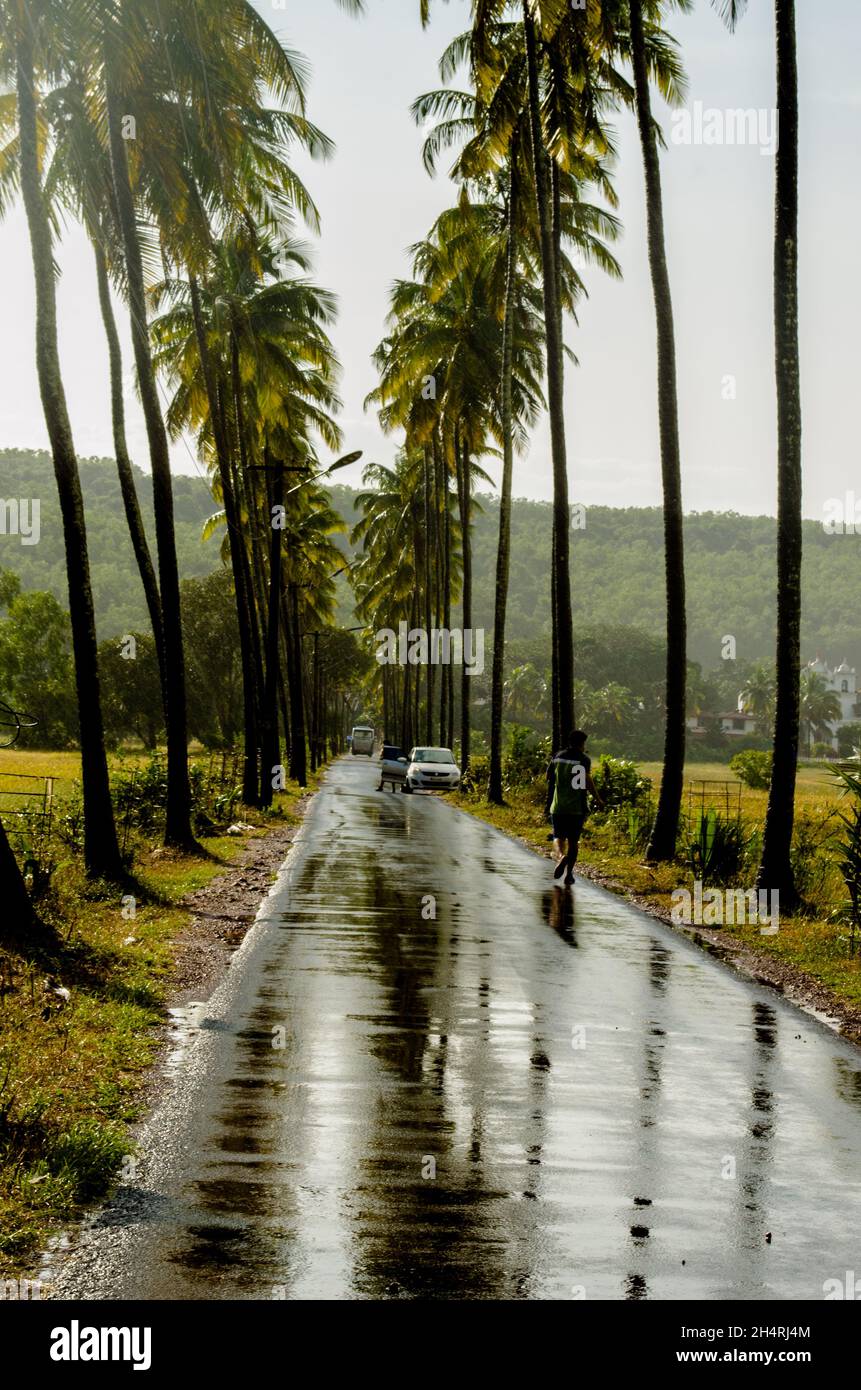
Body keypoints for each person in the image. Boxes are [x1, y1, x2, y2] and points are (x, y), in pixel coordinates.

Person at [544, 729, 602, 886]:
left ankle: (561, 856)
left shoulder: (558, 756)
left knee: (558, 837)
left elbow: (548, 776)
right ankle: (569, 874)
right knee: (574, 841)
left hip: (558, 806)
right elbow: (587, 781)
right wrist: (597, 798)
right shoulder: (584, 760)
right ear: (582, 743)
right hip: (577, 808)